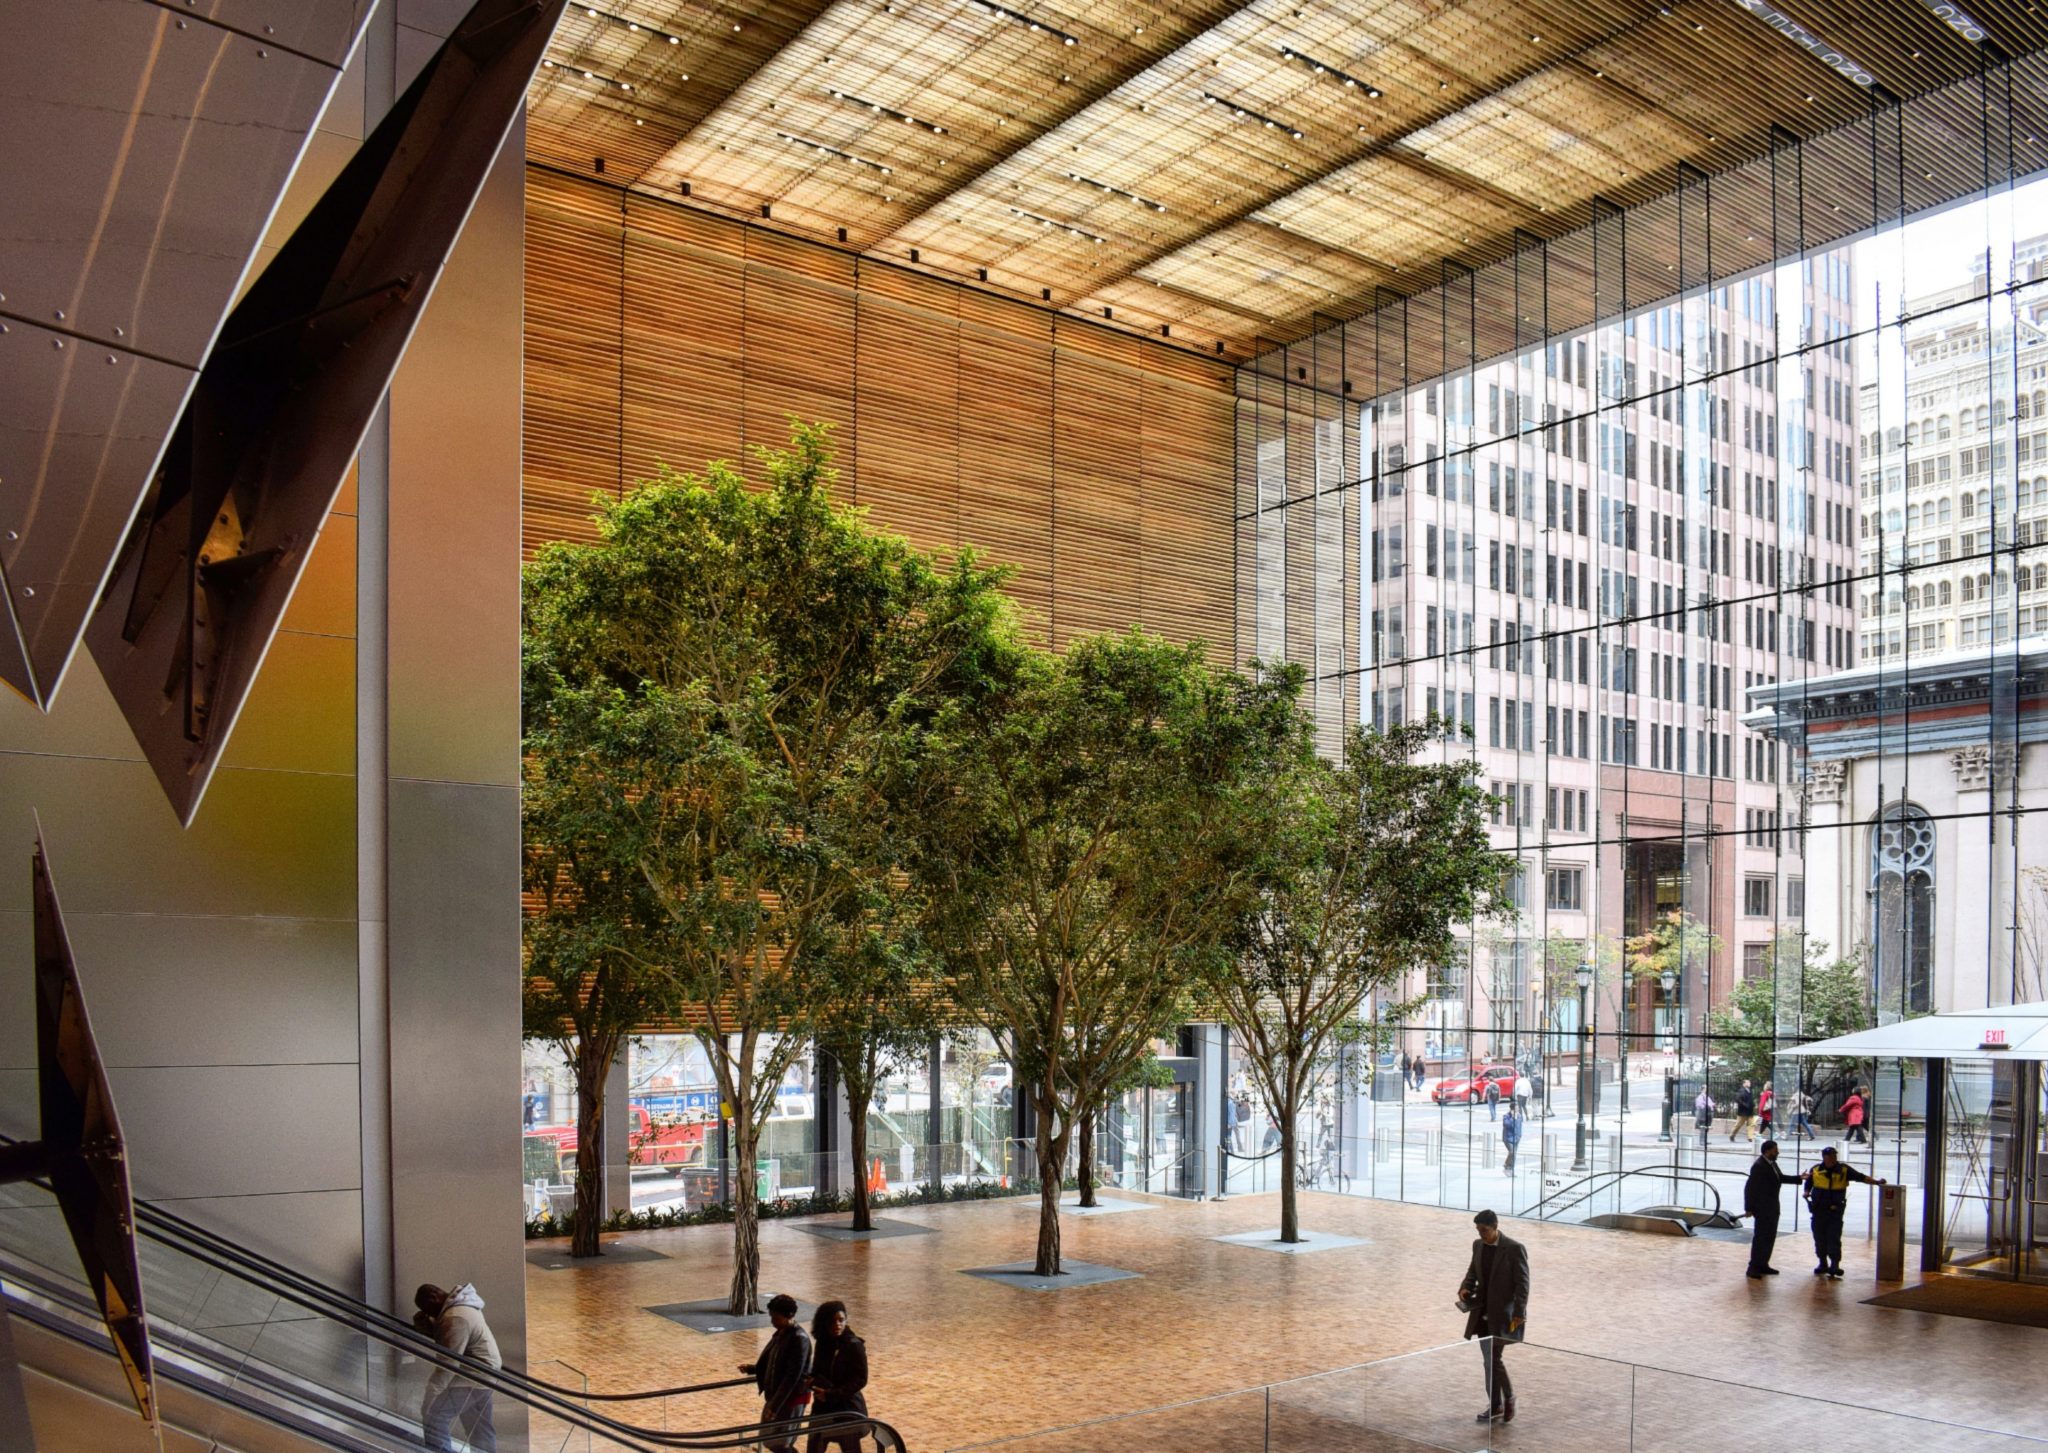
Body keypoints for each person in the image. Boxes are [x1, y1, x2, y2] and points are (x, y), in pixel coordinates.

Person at [1457, 1210, 1528, 1426]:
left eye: (1484, 1230)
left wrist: (1519, 1313)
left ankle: (1508, 1398)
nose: (1481, 1235)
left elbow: (1522, 1284)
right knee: (1489, 1360)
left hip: (1502, 1314)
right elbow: (1472, 1271)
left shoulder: (1514, 1249)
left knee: (1494, 1358)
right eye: (1478, 1230)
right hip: (1481, 1312)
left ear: (1495, 1226)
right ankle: (1496, 1404)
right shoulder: (1478, 1245)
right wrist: (1465, 1288)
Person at [414, 1282, 501, 1453]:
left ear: (434, 1297)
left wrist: (431, 1396)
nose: (428, 1314)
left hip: (471, 1377)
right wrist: (426, 1327)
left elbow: (448, 1362)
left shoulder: (455, 1317)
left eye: (427, 1309)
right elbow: (452, 1339)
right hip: (485, 1374)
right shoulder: (464, 1305)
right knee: (480, 1429)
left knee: (434, 1418)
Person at [739, 1293, 813, 1453]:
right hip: (777, 1397)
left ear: (790, 1316)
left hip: (791, 1399)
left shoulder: (799, 1339)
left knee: (780, 1443)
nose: (773, 1322)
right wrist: (754, 1369)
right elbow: (774, 1360)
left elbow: (792, 1376)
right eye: (772, 1317)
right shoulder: (781, 1333)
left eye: (776, 1318)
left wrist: (774, 1406)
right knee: (771, 1441)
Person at [1802, 1146, 1886, 1279]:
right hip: (1818, 1210)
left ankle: (1834, 1264)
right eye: (1830, 1156)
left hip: (1835, 1211)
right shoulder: (1816, 1169)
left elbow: (1861, 1177)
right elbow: (1809, 1183)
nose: (1833, 1158)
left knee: (1834, 1237)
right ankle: (1822, 1263)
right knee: (1819, 1237)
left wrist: (1876, 1182)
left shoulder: (1844, 1170)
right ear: (1824, 1157)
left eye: (1834, 1156)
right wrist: (1806, 1192)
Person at [805, 1300, 869, 1452]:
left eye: (841, 1320)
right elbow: (817, 1370)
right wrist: (812, 1380)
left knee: (850, 1448)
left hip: (846, 1408)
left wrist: (831, 1394)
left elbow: (861, 1379)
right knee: (814, 1446)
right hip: (822, 1407)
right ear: (824, 1323)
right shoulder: (822, 1342)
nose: (837, 1325)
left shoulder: (854, 1345)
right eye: (832, 1321)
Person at [1742, 1139, 1800, 1279]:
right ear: (1767, 1151)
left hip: (1772, 1207)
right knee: (1761, 1238)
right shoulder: (1759, 1166)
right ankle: (1753, 1267)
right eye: (1775, 1150)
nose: (1777, 1152)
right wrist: (1749, 1208)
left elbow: (1780, 1178)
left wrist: (1799, 1178)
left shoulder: (1772, 1164)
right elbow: (1750, 1188)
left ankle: (1763, 1264)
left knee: (1769, 1237)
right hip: (1762, 1208)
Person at [1730, 1080, 1757, 1144]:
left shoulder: (1750, 1091)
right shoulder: (1741, 1091)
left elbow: (1750, 1099)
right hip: (1743, 1112)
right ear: (1744, 1084)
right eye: (1748, 1082)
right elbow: (1737, 1099)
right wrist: (1745, 1105)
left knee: (1751, 1124)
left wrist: (1753, 1104)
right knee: (1738, 1125)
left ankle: (1750, 1138)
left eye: (1749, 1082)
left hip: (1750, 1111)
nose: (1749, 1083)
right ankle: (1732, 1135)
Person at [1500, 1103, 1522, 1174]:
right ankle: (1507, 1165)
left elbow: (1519, 1126)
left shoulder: (1519, 1116)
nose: (1517, 1110)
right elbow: (1507, 1125)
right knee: (1512, 1152)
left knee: (1514, 1154)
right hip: (1508, 1138)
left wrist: (1519, 1135)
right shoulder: (1506, 1116)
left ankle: (1511, 1169)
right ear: (1512, 1109)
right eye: (1516, 1109)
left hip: (1516, 1137)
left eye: (1518, 1108)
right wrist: (1513, 1118)